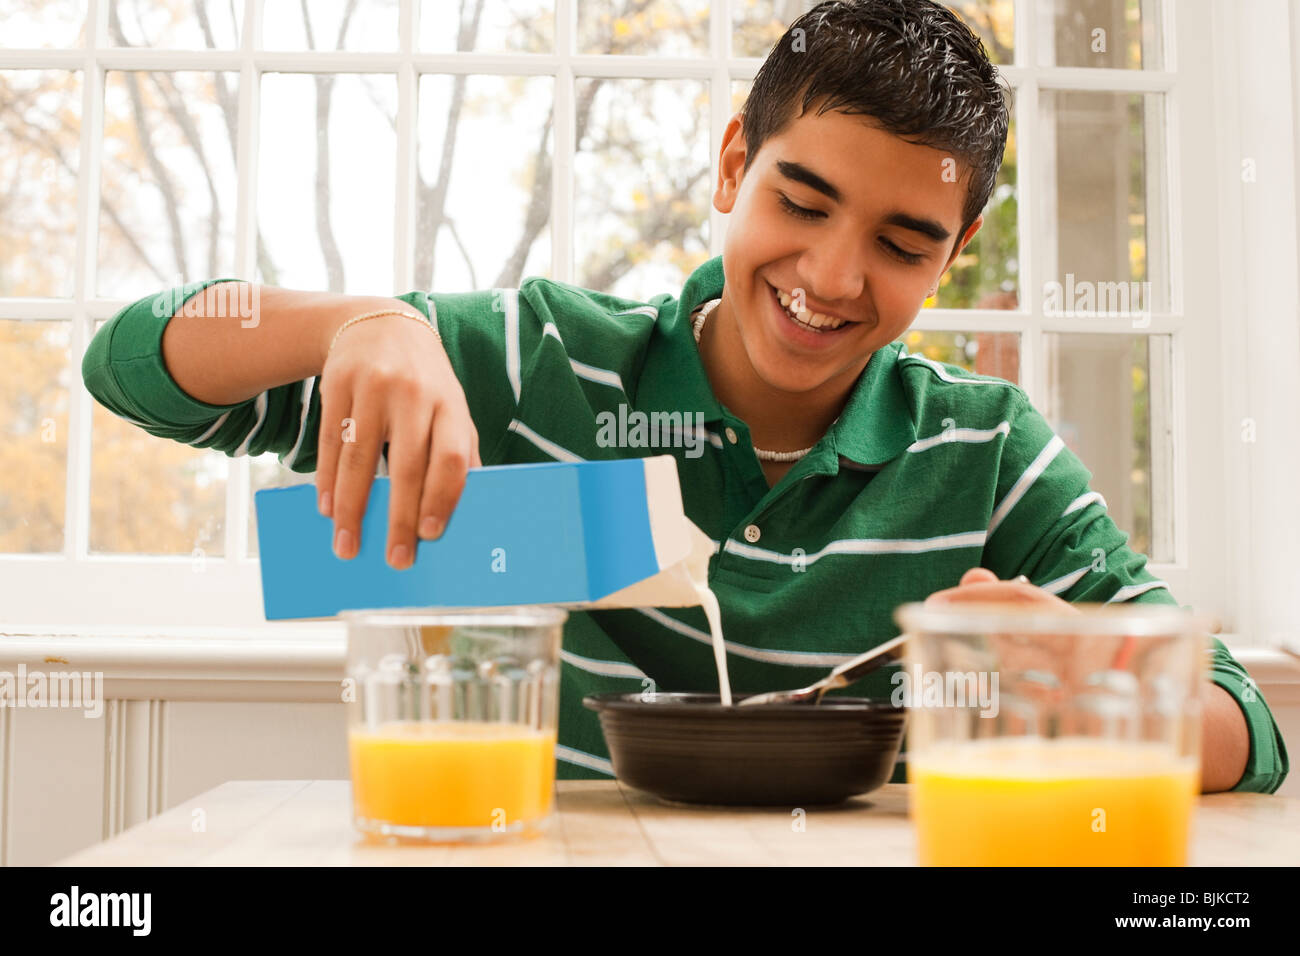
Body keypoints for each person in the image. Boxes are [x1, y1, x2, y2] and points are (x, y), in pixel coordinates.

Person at [83, 0, 1287, 793]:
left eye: (901, 242)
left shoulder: (984, 454)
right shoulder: (533, 363)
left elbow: (1253, 726)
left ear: (956, 247)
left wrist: (1093, 680)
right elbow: (131, 363)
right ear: (730, 166)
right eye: (801, 203)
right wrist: (362, 321)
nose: (829, 279)